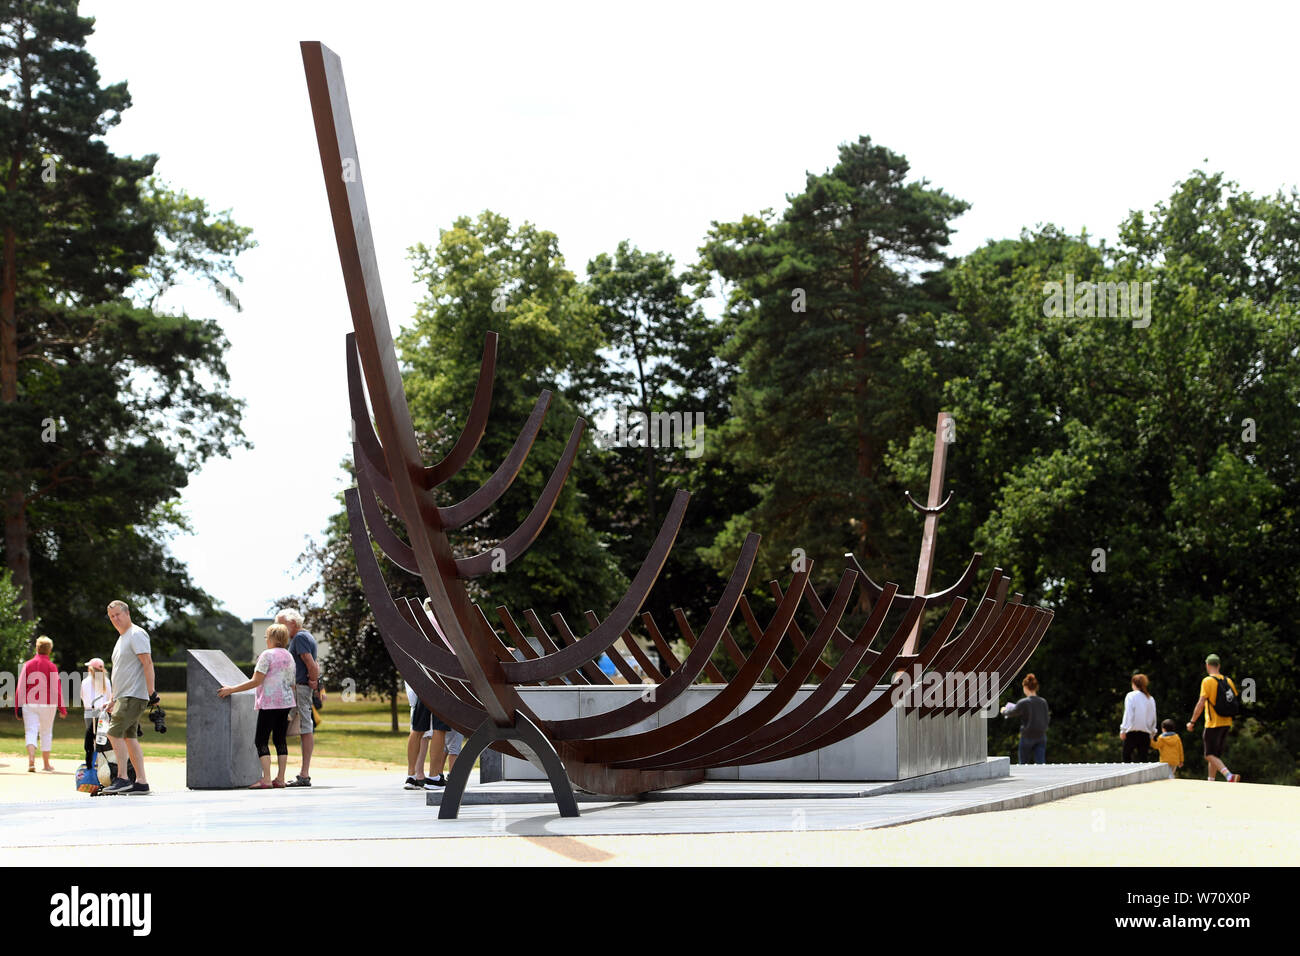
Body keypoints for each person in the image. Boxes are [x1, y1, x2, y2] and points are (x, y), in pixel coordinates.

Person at [218, 624, 296, 788]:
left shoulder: (267, 655)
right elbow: (292, 683)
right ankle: (280, 779)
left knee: (261, 740)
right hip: (286, 702)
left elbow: (256, 681)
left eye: (267, 637)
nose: (266, 640)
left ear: (273, 638)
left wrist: (232, 689)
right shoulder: (289, 656)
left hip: (269, 703)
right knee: (280, 739)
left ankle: (266, 779)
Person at [102, 600, 156, 795]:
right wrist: (113, 699)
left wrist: (151, 692)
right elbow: (122, 672)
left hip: (133, 695)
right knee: (129, 737)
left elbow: (147, 662)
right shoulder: (122, 638)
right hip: (123, 696)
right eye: (112, 617)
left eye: (118, 614)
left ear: (127, 613)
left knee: (113, 732)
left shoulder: (136, 634)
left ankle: (123, 778)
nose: (115, 619)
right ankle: (141, 782)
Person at [278, 608, 319, 787]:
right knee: (301, 727)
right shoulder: (306, 636)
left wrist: (312, 680)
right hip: (301, 688)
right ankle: (301, 773)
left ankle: (304, 774)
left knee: (304, 727)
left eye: (281, 624)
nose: (278, 628)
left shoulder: (300, 638)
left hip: (300, 689)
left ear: (293, 623)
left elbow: (311, 663)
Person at [1187, 653, 1241, 782]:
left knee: (1209, 755)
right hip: (1227, 722)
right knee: (1215, 755)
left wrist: (1192, 721)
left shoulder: (1207, 681)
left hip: (1213, 723)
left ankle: (1229, 775)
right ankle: (1211, 780)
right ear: (1219, 665)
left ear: (1207, 665)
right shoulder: (1228, 680)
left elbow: (1201, 703)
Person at [16, 636, 67, 772]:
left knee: (31, 731)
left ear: (37, 648)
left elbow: (20, 688)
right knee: (46, 732)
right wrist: (62, 708)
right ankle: (46, 764)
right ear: (49, 650)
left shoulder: (28, 665)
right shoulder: (52, 666)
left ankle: (31, 761)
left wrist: (17, 708)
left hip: (29, 703)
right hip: (48, 704)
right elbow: (57, 688)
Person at [1001, 673, 1049, 764]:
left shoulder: (1023, 703)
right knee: (1041, 764)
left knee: (1023, 764)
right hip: (1041, 736)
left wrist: (1003, 710)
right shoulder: (1043, 702)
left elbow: (1011, 712)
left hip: (1027, 736)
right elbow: (1047, 719)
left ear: (1025, 688)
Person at [404, 681, 440, 790]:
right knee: (439, 729)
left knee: (418, 731)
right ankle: (433, 777)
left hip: (420, 690)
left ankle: (412, 775)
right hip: (436, 687)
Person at [80, 657, 113, 769]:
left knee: (91, 737)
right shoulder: (107, 682)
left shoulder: (85, 682)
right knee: (102, 738)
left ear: (91, 669)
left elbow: (83, 697)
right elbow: (109, 697)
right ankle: (102, 762)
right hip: (103, 712)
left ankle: (91, 762)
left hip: (89, 711)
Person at [1119, 673, 1158, 762]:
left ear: (1134, 684)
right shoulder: (1150, 698)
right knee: (1143, 760)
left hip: (1132, 732)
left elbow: (1128, 714)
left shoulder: (1131, 695)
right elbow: (1153, 717)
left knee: (1126, 758)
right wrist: (1152, 733)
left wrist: (1123, 729)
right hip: (1145, 734)